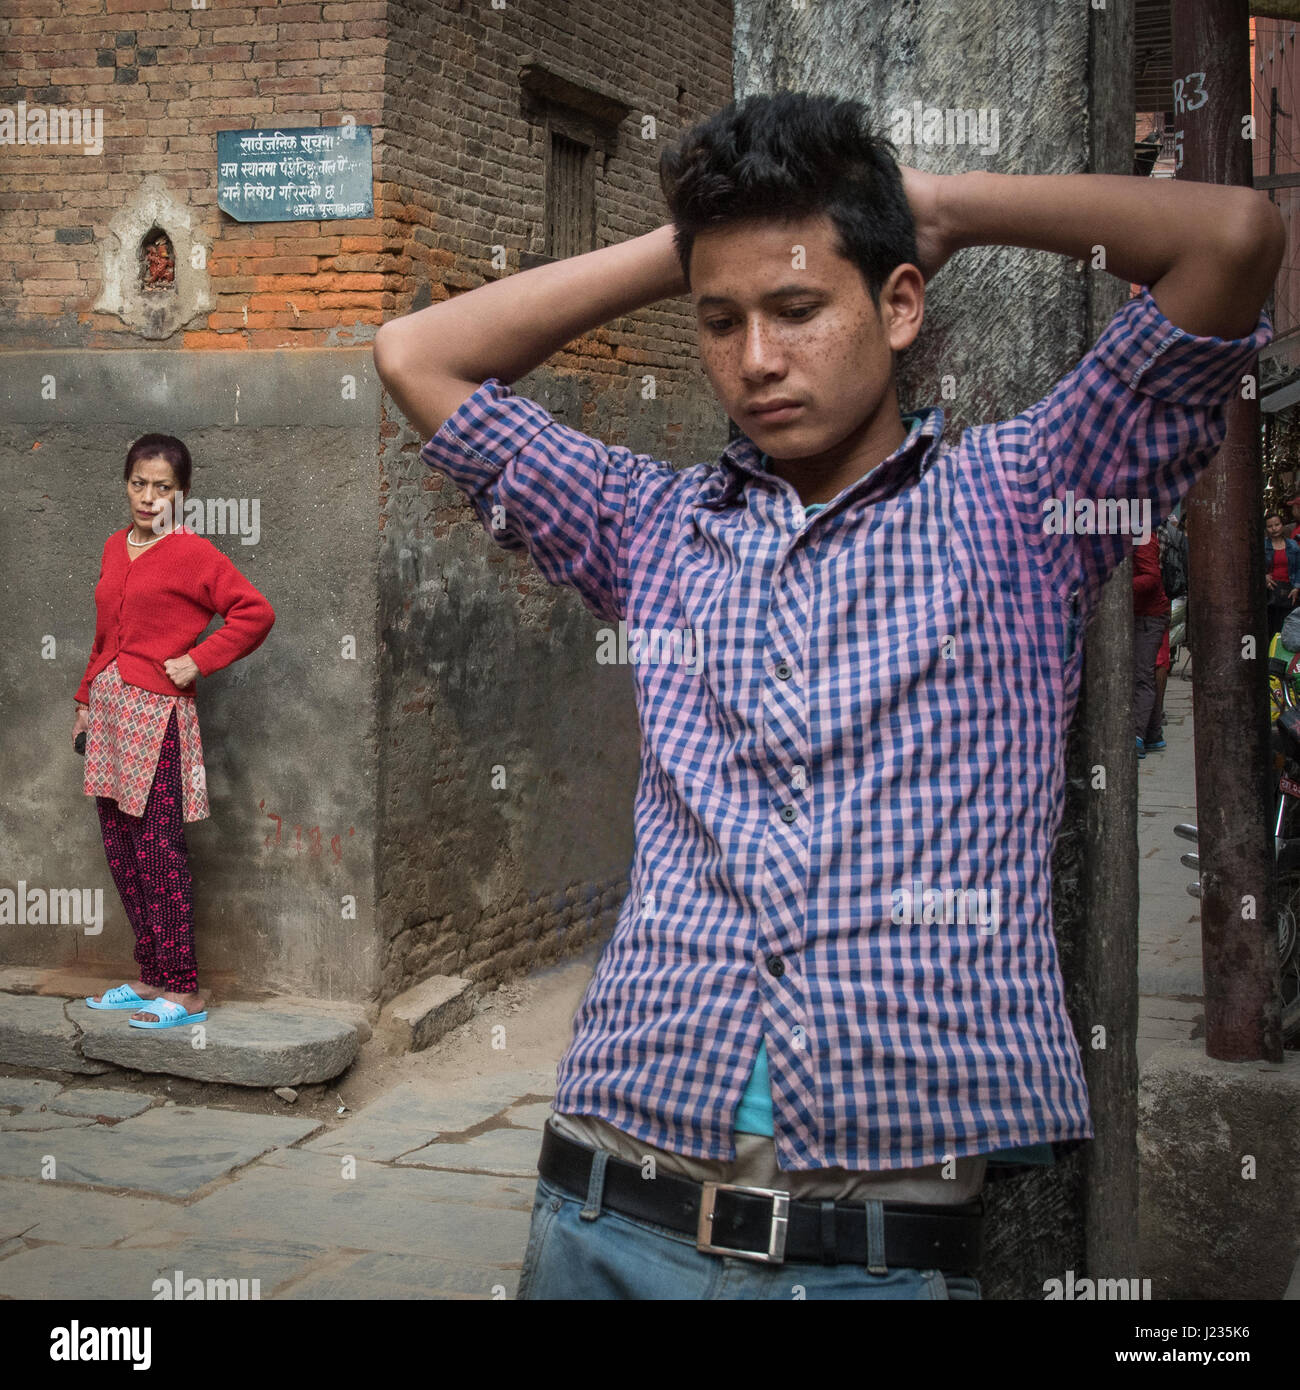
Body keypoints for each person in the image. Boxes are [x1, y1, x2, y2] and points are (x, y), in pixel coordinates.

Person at [374, 91, 1280, 1300]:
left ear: (897, 303)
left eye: (798, 307)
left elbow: (1230, 239)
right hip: (605, 1215)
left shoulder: (1019, 505)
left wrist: (933, 207)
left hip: (874, 1262)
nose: (756, 359)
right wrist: (702, 247)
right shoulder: (653, 530)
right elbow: (415, 355)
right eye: (722, 322)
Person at [75, 435, 275, 1028]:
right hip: (110, 712)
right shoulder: (116, 547)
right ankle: (151, 976)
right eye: (139, 482)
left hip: (156, 714)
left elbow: (254, 612)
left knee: (159, 849)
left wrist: (198, 660)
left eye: (163, 487)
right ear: (126, 483)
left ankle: (184, 990)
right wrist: (85, 697)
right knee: (120, 847)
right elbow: (103, 638)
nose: (149, 496)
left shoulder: (193, 554)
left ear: (182, 493)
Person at [1133, 534, 1170, 757]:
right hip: (1142, 614)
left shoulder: (1142, 535)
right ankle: (1153, 733)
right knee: (1143, 672)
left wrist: (1117, 584)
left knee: (1141, 675)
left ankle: (1138, 735)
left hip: (1149, 616)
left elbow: (1151, 577)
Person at [1265, 509, 1300, 642]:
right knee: (1271, 628)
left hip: (1289, 591)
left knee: (1288, 628)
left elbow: (1298, 568)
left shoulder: (1293, 546)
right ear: (1266, 529)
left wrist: (1296, 587)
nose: (1274, 529)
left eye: (1277, 524)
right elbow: (1255, 566)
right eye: (1270, 526)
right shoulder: (1263, 546)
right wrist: (1264, 576)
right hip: (1271, 591)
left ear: (1282, 525)